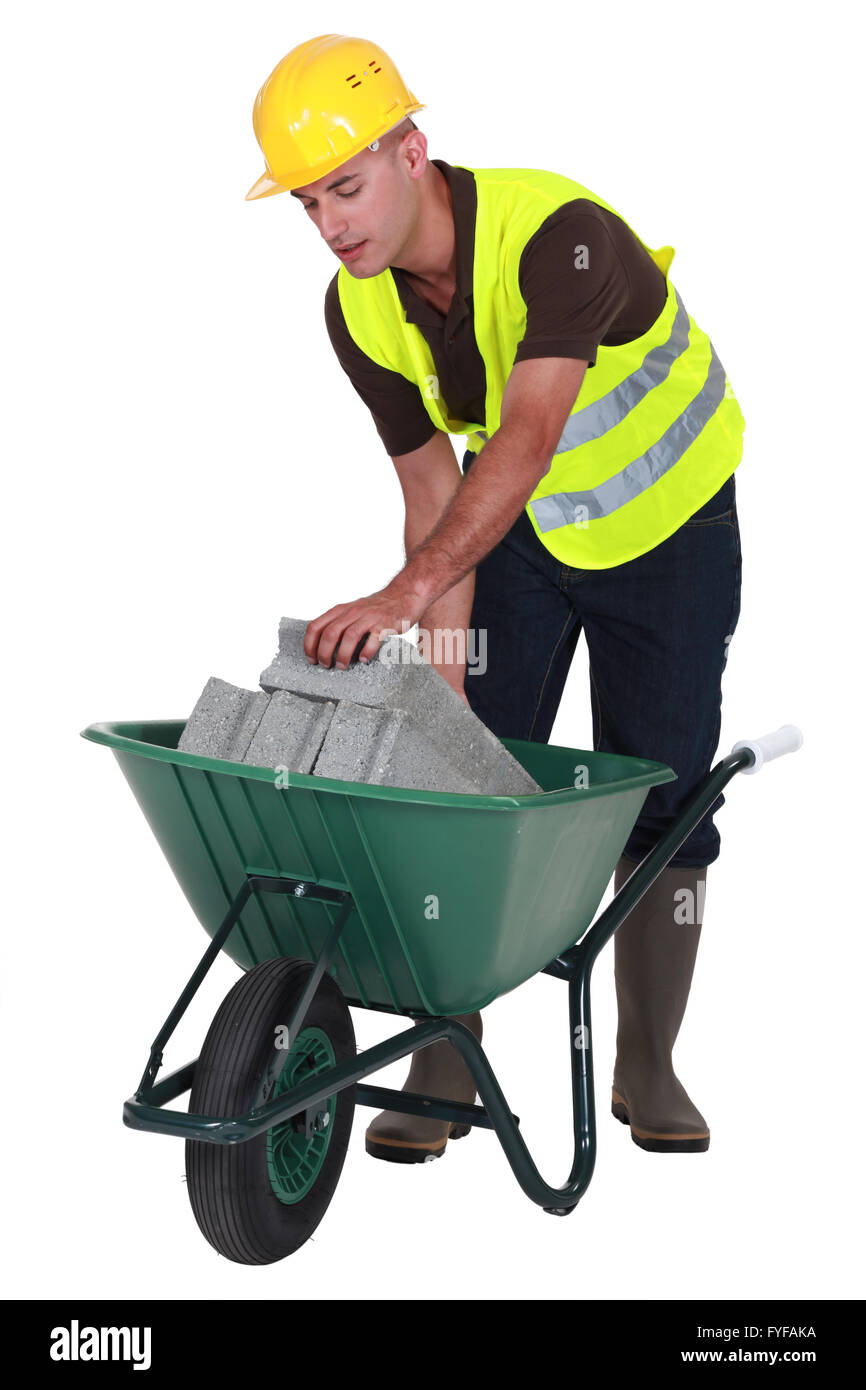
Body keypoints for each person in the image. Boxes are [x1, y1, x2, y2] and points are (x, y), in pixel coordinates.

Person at [246, 33, 744, 1160]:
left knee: (664, 792)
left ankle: (647, 1059)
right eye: (308, 203)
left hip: (670, 529)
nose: (329, 224)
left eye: (345, 187)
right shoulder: (357, 308)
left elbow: (523, 438)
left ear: (411, 152)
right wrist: (447, 689)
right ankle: (444, 1053)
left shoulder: (558, 235)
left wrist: (401, 594)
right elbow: (433, 492)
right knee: (458, 776)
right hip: (514, 532)